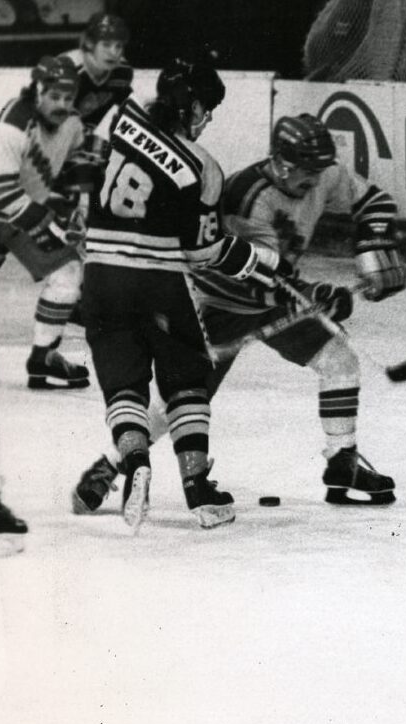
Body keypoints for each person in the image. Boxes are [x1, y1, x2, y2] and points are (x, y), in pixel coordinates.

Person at [71, 112, 406, 514]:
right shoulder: (248, 197)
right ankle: (106, 467)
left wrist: (374, 241)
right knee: (184, 400)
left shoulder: (324, 175)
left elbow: (375, 200)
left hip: (274, 301)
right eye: (306, 171)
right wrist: (312, 294)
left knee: (340, 362)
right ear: (282, 163)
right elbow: (247, 275)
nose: (315, 181)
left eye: (319, 171)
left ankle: (343, 463)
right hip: (218, 305)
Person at [77, 50, 293, 530]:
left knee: (124, 384)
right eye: (208, 107)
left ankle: (135, 466)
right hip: (156, 280)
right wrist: (263, 263)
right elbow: (203, 253)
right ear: (190, 106)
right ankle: (198, 489)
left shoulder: (120, 120)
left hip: (100, 276)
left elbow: (84, 179)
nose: (210, 117)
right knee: (187, 378)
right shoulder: (203, 167)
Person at [0, 56, 95, 391]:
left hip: (19, 214)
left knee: (67, 269)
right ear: (37, 91)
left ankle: (43, 358)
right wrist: (50, 222)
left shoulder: (72, 122)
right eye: (54, 97)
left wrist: (78, 203)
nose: (62, 105)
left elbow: (79, 158)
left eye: (68, 98)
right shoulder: (14, 123)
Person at [59, 12, 135, 130]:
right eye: (106, 45)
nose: (114, 53)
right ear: (89, 43)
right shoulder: (65, 68)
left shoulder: (123, 72)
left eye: (118, 46)